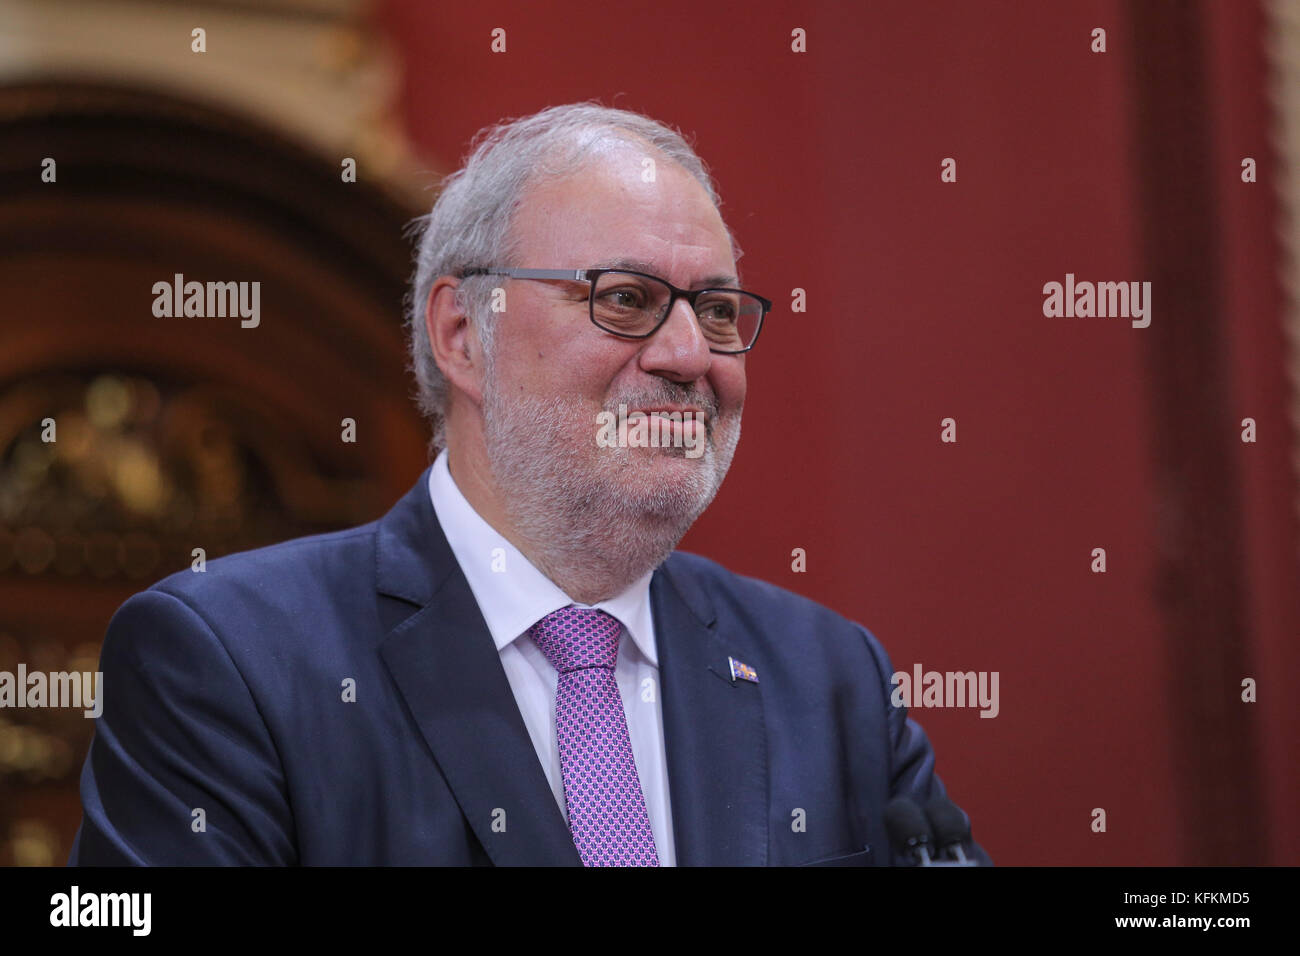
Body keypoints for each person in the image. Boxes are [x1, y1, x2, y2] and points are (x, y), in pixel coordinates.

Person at [70, 102, 990, 866]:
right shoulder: (230, 661)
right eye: (624, 299)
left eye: (714, 310)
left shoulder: (828, 679)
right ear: (465, 336)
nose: (687, 355)